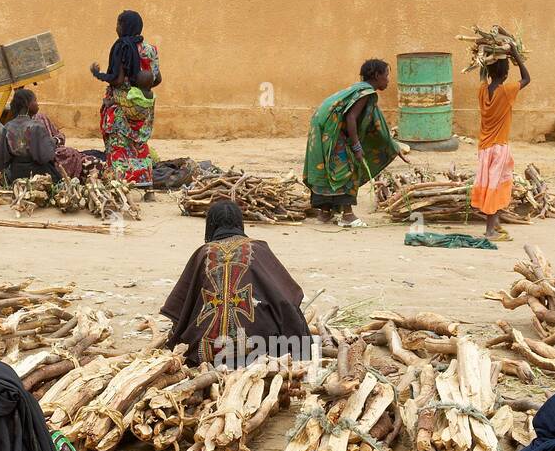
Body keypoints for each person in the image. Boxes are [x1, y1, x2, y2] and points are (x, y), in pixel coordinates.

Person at [160, 199, 313, 368]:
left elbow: (180, 307)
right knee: (291, 311)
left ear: (210, 225)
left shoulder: (203, 253)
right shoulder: (259, 249)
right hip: (260, 347)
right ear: (239, 223)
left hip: (207, 353)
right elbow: (287, 297)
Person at [303, 59, 410, 228]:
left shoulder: (357, 90)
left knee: (326, 169)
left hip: (322, 129)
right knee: (349, 168)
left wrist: (394, 146)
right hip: (332, 131)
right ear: (376, 75)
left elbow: (377, 122)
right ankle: (347, 215)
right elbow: (351, 117)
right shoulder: (365, 93)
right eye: (387, 75)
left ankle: (325, 213)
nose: (389, 80)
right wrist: (357, 147)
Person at [92, 10, 160, 196]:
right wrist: (141, 86)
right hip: (142, 108)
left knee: (118, 146)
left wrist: (98, 74)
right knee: (139, 146)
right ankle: (148, 189)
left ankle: (118, 185)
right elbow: (157, 78)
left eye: (118, 24)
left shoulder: (122, 47)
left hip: (120, 107)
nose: (116, 28)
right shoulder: (150, 50)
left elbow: (118, 80)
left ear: (125, 26)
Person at [471, 41, 530, 241]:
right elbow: (527, 78)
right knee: (495, 188)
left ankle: (494, 224)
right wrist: (515, 53)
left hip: (484, 148)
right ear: (505, 74)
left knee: (489, 184)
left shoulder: (482, 90)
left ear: (487, 71)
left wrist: (482, 56)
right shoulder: (506, 91)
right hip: (498, 148)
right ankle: (490, 231)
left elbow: (481, 74)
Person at [0, 87, 86, 183]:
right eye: (35, 101)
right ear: (27, 104)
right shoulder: (37, 126)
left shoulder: (8, 126)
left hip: (16, 175)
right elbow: (45, 157)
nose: (37, 104)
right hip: (39, 173)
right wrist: (54, 141)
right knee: (71, 155)